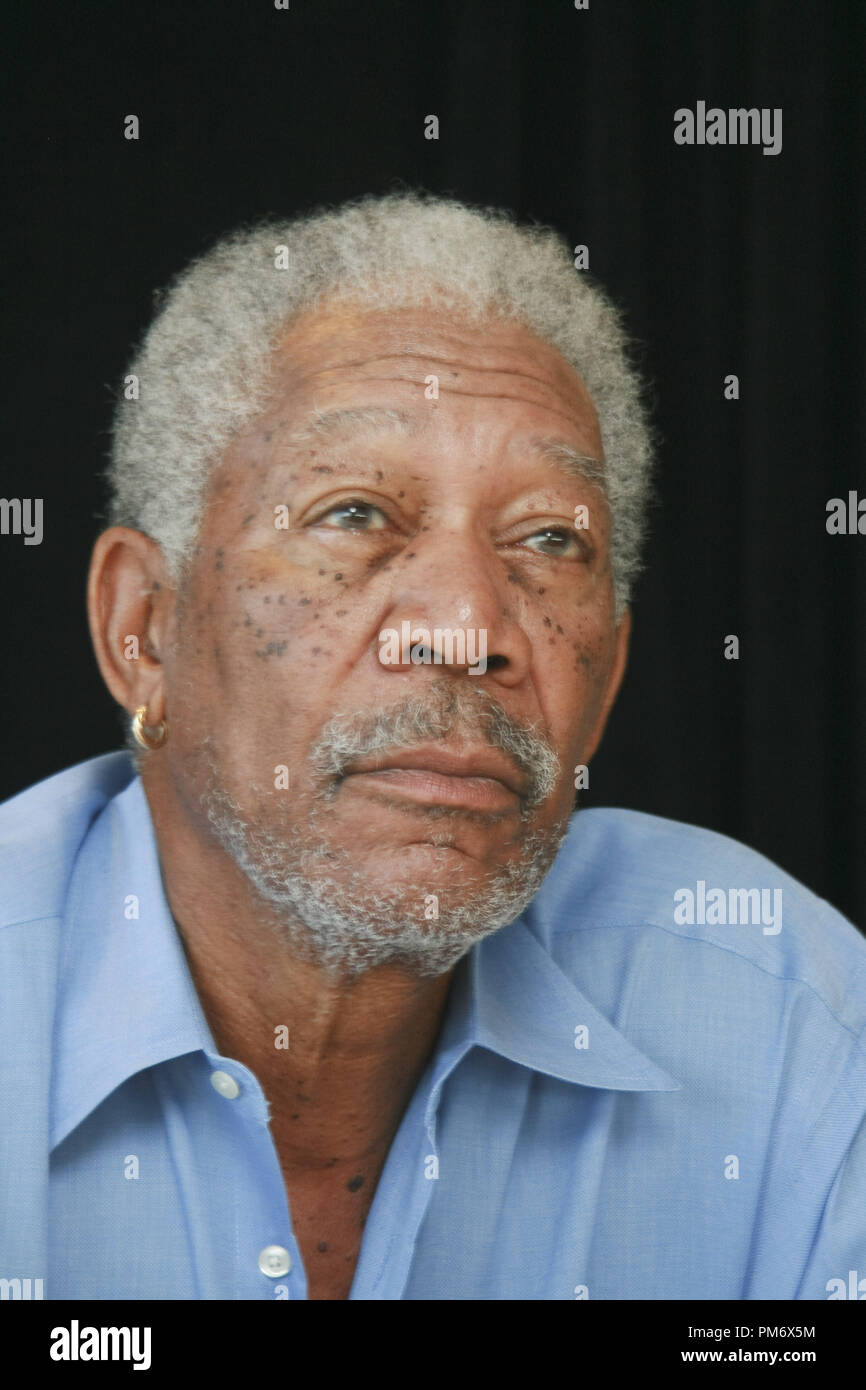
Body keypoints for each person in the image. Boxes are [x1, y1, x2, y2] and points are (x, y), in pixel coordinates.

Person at [1, 191, 863, 1301]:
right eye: (355, 513)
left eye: (549, 539)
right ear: (145, 629)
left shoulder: (785, 1015)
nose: (468, 628)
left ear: (603, 681)